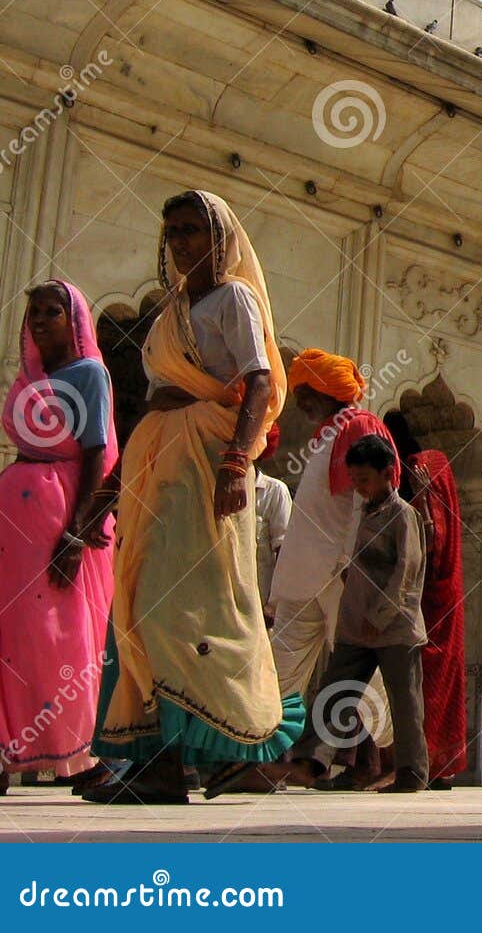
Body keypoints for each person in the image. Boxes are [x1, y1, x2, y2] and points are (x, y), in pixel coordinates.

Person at [90, 190, 302, 804]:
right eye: (173, 231)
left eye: (192, 230)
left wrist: (237, 463)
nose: (181, 242)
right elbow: (157, 402)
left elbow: (259, 379)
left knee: (187, 608)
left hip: (205, 461)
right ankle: (165, 765)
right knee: (143, 604)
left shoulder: (234, 297)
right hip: (161, 461)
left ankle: (207, 758)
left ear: (219, 239)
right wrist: (111, 487)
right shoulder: (171, 313)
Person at [0, 281, 118, 796]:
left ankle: (76, 755)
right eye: (35, 312)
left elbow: (95, 452)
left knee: (61, 635)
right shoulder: (31, 377)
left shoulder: (89, 374)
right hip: (14, 520)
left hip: (59, 514)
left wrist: (75, 533)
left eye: (54, 311)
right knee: (11, 636)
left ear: (75, 321)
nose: (43, 319)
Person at [286, 435, 428, 792]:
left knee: (404, 701)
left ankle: (412, 773)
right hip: (357, 626)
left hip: (394, 626)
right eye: (356, 480)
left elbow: (406, 571)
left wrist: (379, 615)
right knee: (335, 690)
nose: (359, 487)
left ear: (387, 474)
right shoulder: (363, 513)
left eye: (365, 479)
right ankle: (311, 761)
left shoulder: (402, 515)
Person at [268, 350, 395, 705]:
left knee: (366, 680)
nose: (302, 403)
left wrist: (353, 563)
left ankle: (402, 757)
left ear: (326, 389)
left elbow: (366, 500)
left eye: (305, 392)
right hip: (305, 576)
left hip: (341, 575)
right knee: (278, 673)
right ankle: (264, 753)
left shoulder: (358, 425)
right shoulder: (328, 435)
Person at [385, 411, 468, 789]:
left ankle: (422, 763)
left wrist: (420, 498)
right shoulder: (437, 469)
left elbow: (430, 539)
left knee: (423, 681)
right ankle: (438, 765)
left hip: (430, 600)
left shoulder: (422, 472)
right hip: (443, 598)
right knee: (439, 682)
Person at [252, 423, 292, 604]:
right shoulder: (214, 490)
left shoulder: (275, 492)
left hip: (260, 602)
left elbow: (285, 553)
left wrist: (274, 604)